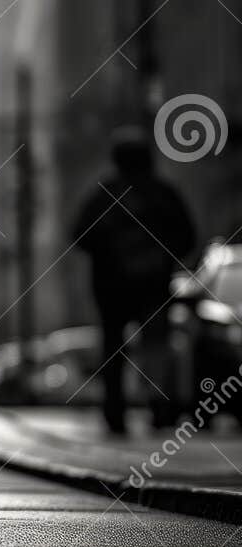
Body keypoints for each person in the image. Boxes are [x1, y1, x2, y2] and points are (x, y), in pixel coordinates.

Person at [70, 134, 197, 434]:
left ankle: (116, 412)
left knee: (116, 348)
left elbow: (80, 235)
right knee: (155, 347)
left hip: (114, 288)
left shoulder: (106, 195)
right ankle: (158, 409)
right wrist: (162, 258)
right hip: (150, 286)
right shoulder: (162, 194)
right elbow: (187, 237)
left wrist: (110, 254)